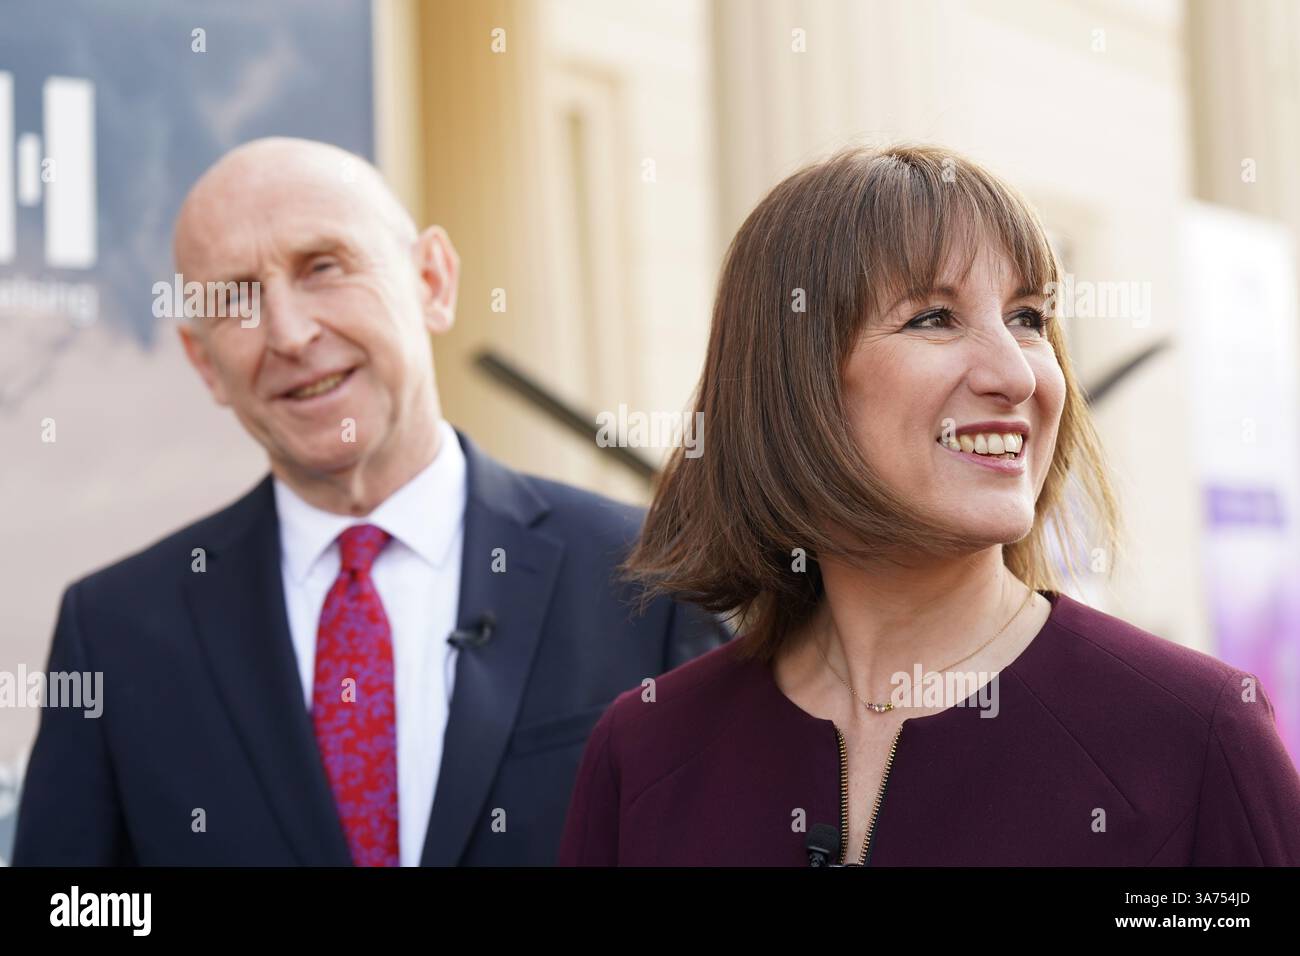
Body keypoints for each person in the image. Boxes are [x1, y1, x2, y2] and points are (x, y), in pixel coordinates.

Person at [559, 143, 1300, 866]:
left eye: (1030, 318)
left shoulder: (1193, 735)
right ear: (793, 382)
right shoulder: (647, 751)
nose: (1015, 373)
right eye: (933, 318)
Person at [14, 137, 725, 867]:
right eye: (235, 300)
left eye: (323, 267)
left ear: (432, 281)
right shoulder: (115, 631)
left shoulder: (646, 580)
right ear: (205, 363)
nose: (290, 334)